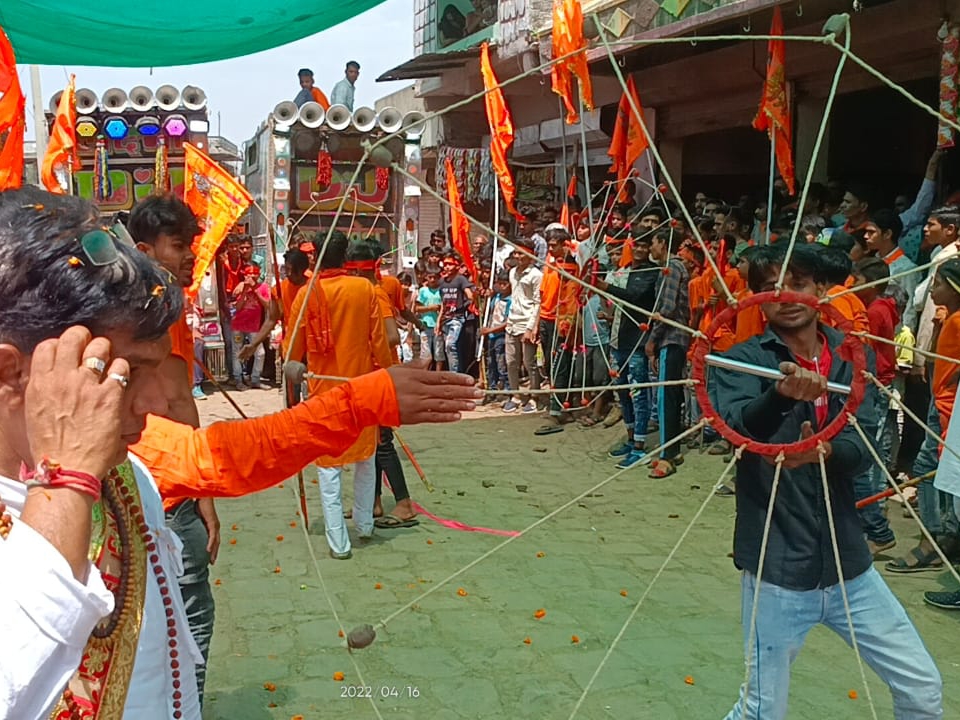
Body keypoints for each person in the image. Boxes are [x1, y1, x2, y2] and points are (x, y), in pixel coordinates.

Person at [710, 243, 942, 720]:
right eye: (772, 287)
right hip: (776, 571)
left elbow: (867, 449)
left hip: (850, 571)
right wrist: (778, 397)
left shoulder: (847, 355)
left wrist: (826, 452)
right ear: (755, 299)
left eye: (798, 283)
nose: (787, 296)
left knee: (922, 690)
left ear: (819, 289)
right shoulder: (739, 360)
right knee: (761, 711)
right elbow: (736, 428)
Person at [127, 193, 220, 703]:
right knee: (189, 623)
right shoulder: (158, 310)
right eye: (178, 245)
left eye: (191, 245)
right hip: (164, 489)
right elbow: (178, 403)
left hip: (130, 481)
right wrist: (203, 490)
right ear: (145, 249)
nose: (189, 257)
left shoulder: (117, 304)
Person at [284, 232, 395, 559]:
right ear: (345, 255)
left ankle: (338, 543)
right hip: (361, 388)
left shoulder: (307, 294)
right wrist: (388, 376)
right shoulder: (364, 289)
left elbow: (291, 352)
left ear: (315, 256)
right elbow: (380, 343)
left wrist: (291, 374)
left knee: (329, 471)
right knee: (365, 460)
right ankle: (364, 526)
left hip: (324, 392)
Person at [593, 233, 658, 469]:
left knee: (638, 394)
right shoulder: (624, 271)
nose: (640, 249)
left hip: (638, 342)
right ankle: (631, 440)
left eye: (644, 244)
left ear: (650, 247)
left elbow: (635, 297)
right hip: (618, 340)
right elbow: (615, 303)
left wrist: (603, 285)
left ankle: (640, 447)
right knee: (622, 393)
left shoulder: (652, 272)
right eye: (637, 244)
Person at [850, 257, 898, 555]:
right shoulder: (878, 308)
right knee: (871, 453)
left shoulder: (875, 311)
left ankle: (877, 525)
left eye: (859, 280)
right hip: (877, 381)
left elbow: (865, 351)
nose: (853, 286)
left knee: (865, 457)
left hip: (875, 382)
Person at [645, 229, 690, 479]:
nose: (651, 248)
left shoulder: (671, 268)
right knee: (670, 396)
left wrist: (652, 340)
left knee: (665, 398)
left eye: (652, 242)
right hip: (674, 339)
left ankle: (667, 456)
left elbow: (668, 309)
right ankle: (671, 449)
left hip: (671, 338)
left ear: (663, 242)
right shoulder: (675, 268)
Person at [503, 238, 542, 413]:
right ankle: (515, 395)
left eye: (521, 253)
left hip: (527, 322)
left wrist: (531, 327)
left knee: (529, 363)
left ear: (531, 255)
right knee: (511, 361)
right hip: (512, 322)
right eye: (515, 253)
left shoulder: (536, 275)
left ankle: (534, 397)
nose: (517, 256)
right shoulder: (512, 272)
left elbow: (537, 302)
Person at [230, 265, 269, 389]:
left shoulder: (263, 287)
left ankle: (255, 379)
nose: (251, 276)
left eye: (254, 274)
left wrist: (255, 290)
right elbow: (237, 307)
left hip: (254, 326)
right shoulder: (240, 287)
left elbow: (267, 305)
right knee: (237, 352)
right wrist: (245, 290)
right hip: (238, 325)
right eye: (249, 274)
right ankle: (238, 379)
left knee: (260, 353)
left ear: (258, 275)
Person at [436, 253, 475, 374]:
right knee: (448, 349)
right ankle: (454, 371)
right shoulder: (442, 282)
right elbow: (443, 303)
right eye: (445, 264)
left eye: (450, 264)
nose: (447, 267)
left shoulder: (460, 279)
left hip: (457, 318)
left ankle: (455, 373)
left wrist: (467, 303)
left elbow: (470, 295)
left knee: (450, 344)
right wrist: (438, 321)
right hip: (446, 318)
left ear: (457, 265)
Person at [481, 272, 511, 399]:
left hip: (501, 335)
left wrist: (491, 330)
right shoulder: (496, 297)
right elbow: (489, 311)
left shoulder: (511, 300)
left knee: (501, 362)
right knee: (491, 361)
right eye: (500, 284)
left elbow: (508, 321)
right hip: (491, 335)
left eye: (505, 284)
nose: (502, 287)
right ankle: (492, 387)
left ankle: (506, 388)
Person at [415, 265, 444, 367]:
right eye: (430, 277)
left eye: (435, 277)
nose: (432, 280)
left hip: (438, 326)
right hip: (425, 325)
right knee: (426, 355)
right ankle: (424, 375)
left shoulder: (442, 290)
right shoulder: (423, 291)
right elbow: (417, 308)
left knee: (439, 353)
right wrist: (431, 308)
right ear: (426, 277)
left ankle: (438, 375)